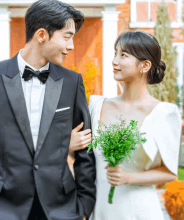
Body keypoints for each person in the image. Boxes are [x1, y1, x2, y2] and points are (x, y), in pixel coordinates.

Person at [0, 1, 96, 220]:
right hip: (0, 209)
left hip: (61, 209)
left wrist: (84, 208)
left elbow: (85, 151)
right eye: (67, 36)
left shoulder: (72, 82)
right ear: (42, 34)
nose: (72, 45)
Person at [68, 30, 181, 219]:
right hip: (100, 209)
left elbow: (169, 172)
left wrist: (129, 178)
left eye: (123, 55)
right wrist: (69, 146)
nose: (114, 61)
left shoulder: (163, 113)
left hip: (140, 210)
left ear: (144, 66)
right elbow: (80, 159)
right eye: (115, 53)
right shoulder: (97, 106)